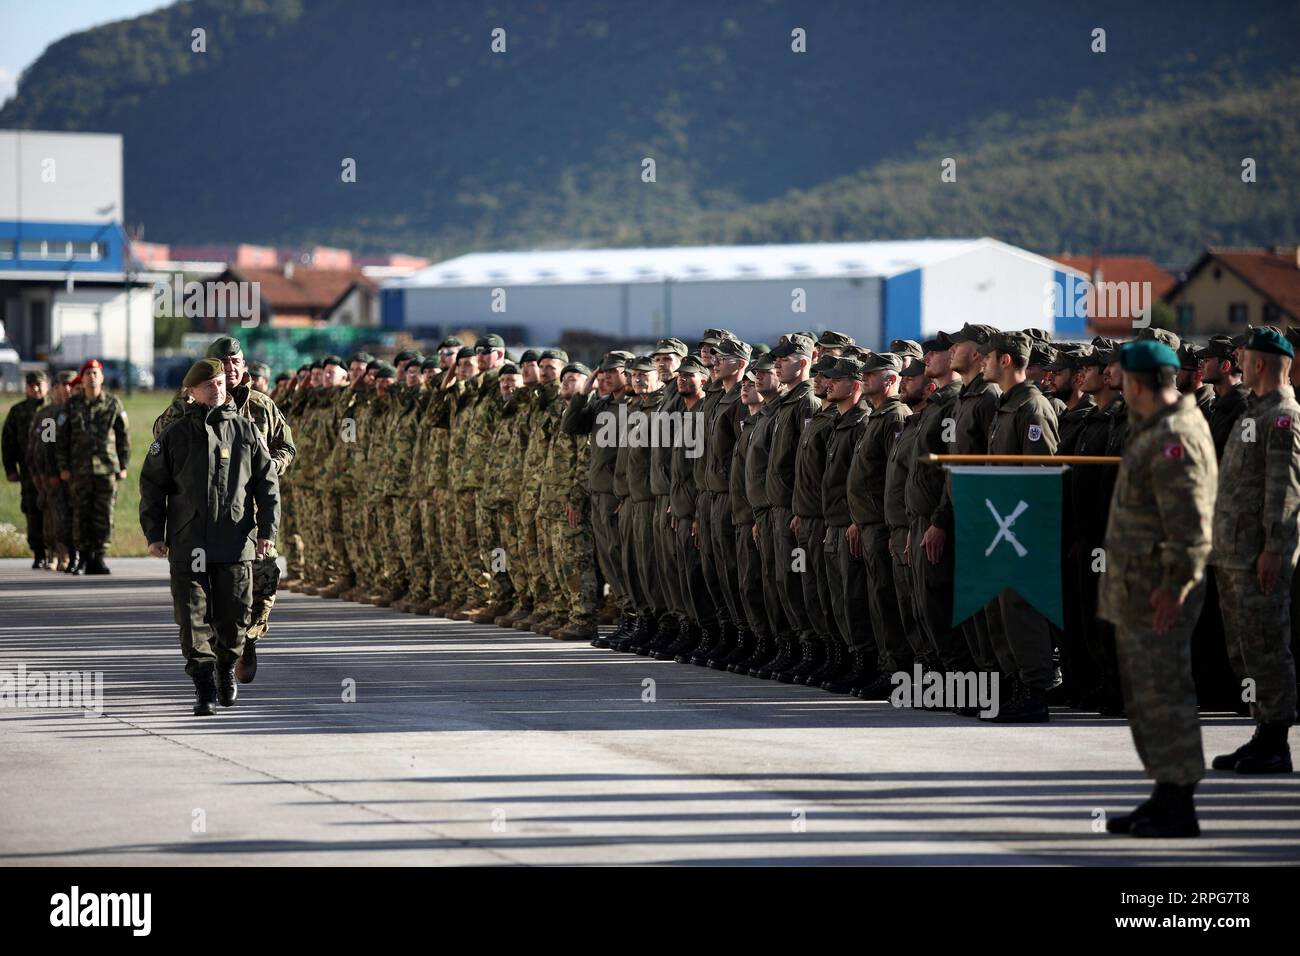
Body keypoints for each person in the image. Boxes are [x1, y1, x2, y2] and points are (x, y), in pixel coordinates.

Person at [1100, 340, 1217, 838]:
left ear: (1137, 383)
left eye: (1123, 380)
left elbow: (1190, 524)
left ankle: (1179, 801)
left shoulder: (1175, 435)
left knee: (1166, 693)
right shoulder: (1152, 429)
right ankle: (1165, 794)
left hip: (1160, 593)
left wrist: (1175, 585)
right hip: (1139, 589)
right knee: (1148, 696)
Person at [140, 359, 279, 716]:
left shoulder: (247, 432)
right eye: (209, 385)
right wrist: (154, 533)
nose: (217, 389)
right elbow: (152, 485)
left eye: (220, 383)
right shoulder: (174, 436)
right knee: (192, 618)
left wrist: (267, 532)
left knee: (234, 619)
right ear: (192, 392)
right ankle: (203, 687)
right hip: (189, 543)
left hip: (235, 542)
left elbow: (267, 486)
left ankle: (225, 669)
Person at [1209, 327, 1299, 774]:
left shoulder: (1282, 415)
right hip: (1233, 552)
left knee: (1267, 645)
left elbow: (1284, 491)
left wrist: (1274, 550)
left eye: (1245, 355)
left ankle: (1276, 741)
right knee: (1245, 648)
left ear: (1261, 363)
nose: (1239, 360)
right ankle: (1261, 731)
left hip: (1258, 554)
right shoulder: (1254, 412)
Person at [56, 358, 129, 575]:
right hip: (79, 470)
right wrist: (63, 466)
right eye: (88, 373)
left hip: (106, 468)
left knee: (104, 514)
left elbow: (124, 436)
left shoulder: (113, 403)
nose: (92, 377)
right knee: (80, 514)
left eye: (96, 373)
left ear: (102, 378)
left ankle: (99, 556)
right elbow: (61, 439)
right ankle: (83, 556)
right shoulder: (72, 405)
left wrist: (122, 464)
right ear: (83, 378)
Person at [3, 370, 50, 568]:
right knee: (33, 511)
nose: (36, 389)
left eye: (39, 384)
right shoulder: (18, 411)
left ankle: (58, 552)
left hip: (53, 471)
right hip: (29, 471)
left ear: (46, 386)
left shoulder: (54, 409)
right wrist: (10, 469)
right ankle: (39, 553)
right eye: (32, 385)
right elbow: (8, 442)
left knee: (56, 511)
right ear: (26, 387)